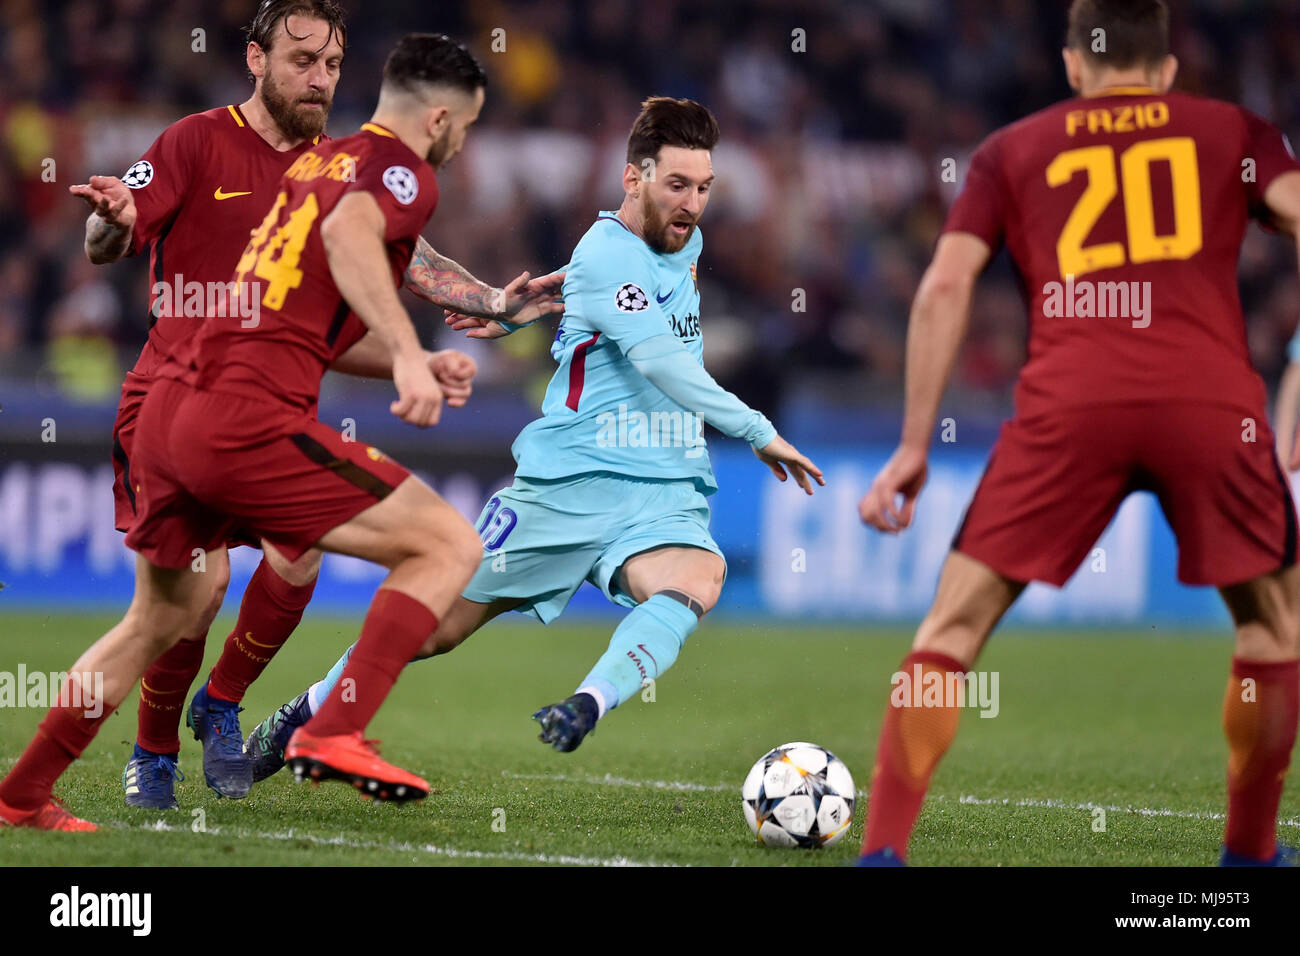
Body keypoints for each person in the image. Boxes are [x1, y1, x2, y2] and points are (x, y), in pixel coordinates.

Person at [66, 0, 561, 811]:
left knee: (300, 558)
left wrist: (491, 303)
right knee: (199, 585)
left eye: (331, 64)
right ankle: (153, 750)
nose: (320, 79)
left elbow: (403, 254)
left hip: (269, 406)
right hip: (172, 398)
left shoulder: (332, 163)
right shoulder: (194, 141)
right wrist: (112, 223)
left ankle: (221, 704)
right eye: (302, 61)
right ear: (256, 59)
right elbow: (114, 229)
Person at [243, 96, 823, 779]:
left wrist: (544, 311)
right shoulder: (605, 252)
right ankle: (305, 715)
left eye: (704, 188)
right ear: (633, 178)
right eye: (677, 185)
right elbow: (658, 356)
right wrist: (756, 429)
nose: (693, 204)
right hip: (566, 486)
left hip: (664, 487)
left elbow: (619, 303)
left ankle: (586, 703)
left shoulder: (679, 240)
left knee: (699, 575)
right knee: (434, 627)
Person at [857, 0, 1300, 866]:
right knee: (1274, 629)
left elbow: (944, 288)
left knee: (951, 629)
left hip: (1070, 402)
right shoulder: (1231, 129)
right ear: (1167, 70)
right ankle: (1248, 857)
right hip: (1208, 401)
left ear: (1071, 64)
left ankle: (882, 853)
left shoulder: (1011, 150)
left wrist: (914, 444)